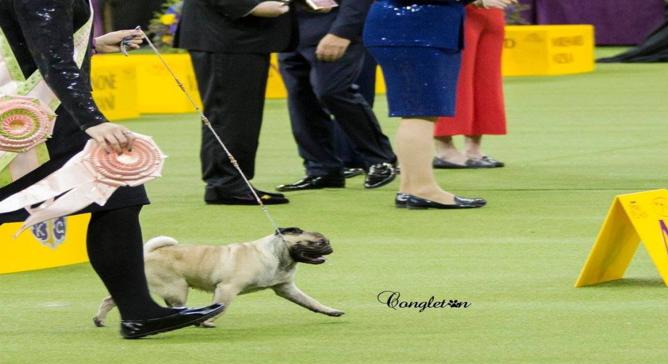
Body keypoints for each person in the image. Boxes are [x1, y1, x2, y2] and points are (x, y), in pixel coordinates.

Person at [0, 0, 222, 345]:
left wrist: (91, 45)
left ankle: (139, 312)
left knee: (118, 194)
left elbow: (36, 41)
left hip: (38, 110)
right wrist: (94, 122)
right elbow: (51, 57)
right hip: (16, 118)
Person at [362, 0, 515, 210]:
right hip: (418, 31)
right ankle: (423, 188)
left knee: (414, 113)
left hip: (408, 29)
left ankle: (409, 188)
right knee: (421, 113)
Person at [178, 0, 298, 206]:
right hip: (226, 35)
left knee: (240, 114)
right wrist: (250, 5)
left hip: (240, 36)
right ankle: (226, 183)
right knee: (228, 113)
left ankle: (232, 181)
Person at [276, 0, 399, 192]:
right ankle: (321, 169)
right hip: (289, 28)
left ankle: (381, 159)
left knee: (333, 91)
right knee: (301, 99)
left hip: (332, 25)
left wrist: (343, 31)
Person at [433, 2, 507, 169]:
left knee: (487, 83)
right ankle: (444, 148)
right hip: (459, 10)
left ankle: (473, 149)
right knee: (456, 79)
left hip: (492, 12)